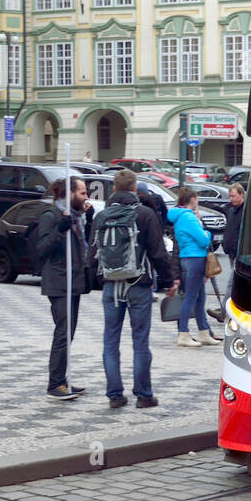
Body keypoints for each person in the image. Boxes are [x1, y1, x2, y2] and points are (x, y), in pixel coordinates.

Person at [91, 169, 179, 409]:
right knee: (140, 342)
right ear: (134, 188)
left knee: (111, 340)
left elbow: (93, 254)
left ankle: (114, 395)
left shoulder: (101, 217)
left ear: (114, 189)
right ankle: (143, 394)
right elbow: (158, 253)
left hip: (111, 286)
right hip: (139, 284)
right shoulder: (145, 214)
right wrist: (169, 281)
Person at [35, 176, 93, 399]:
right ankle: (55, 384)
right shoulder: (52, 216)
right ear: (69, 194)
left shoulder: (76, 217)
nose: (86, 197)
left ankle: (63, 380)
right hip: (59, 282)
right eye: (82, 193)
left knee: (69, 333)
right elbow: (42, 248)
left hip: (73, 281)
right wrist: (59, 230)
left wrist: (89, 219)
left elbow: (82, 247)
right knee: (63, 333)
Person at [168, 188, 222, 347]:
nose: (197, 201)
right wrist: (208, 234)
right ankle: (183, 334)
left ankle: (204, 332)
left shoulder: (179, 216)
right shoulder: (188, 217)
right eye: (196, 198)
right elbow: (204, 241)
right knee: (191, 297)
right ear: (191, 199)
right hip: (195, 258)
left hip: (187, 257)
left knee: (200, 298)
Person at [208, 182, 245, 323]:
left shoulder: (246, 211)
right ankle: (236, 310)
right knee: (237, 284)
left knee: (232, 283)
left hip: (240, 253)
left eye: (234, 196)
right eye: (230, 196)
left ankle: (223, 311)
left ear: (241, 195)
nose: (231, 199)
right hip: (231, 252)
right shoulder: (230, 211)